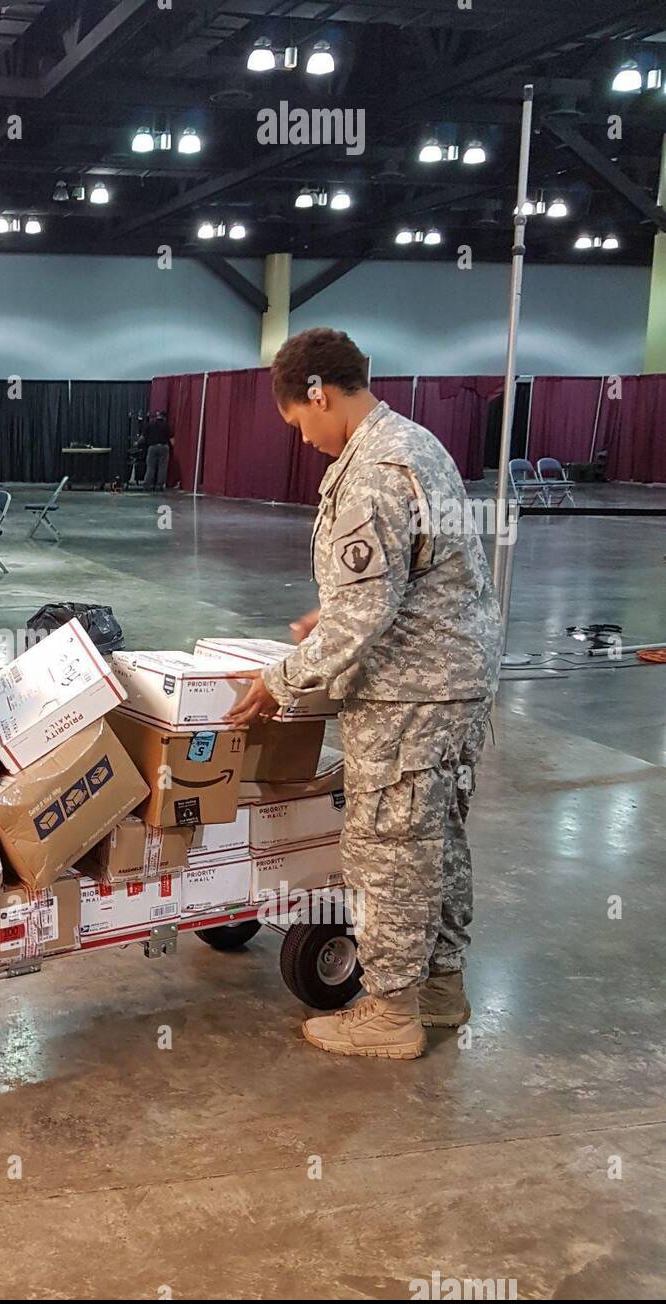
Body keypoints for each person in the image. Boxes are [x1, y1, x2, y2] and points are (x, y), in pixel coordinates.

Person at [230, 327, 502, 1060]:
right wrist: (350, 606)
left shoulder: (374, 470)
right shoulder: (418, 445)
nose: (305, 439)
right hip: (455, 684)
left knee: (388, 850)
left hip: (410, 697)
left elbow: (360, 625)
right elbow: (426, 569)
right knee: (435, 842)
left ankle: (390, 1014)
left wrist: (275, 681)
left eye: (299, 422)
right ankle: (441, 994)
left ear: (317, 392)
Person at [141, 410, 171, 490]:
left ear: (158, 415)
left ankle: (147, 485)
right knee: (162, 467)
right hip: (164, 447)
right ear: (164, 417)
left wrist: (137, 443)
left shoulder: (150, 424)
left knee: (150, 467)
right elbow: (171, 438)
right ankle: (159, 485)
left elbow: (143, 437)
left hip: (152, 447)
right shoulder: (166, 425)